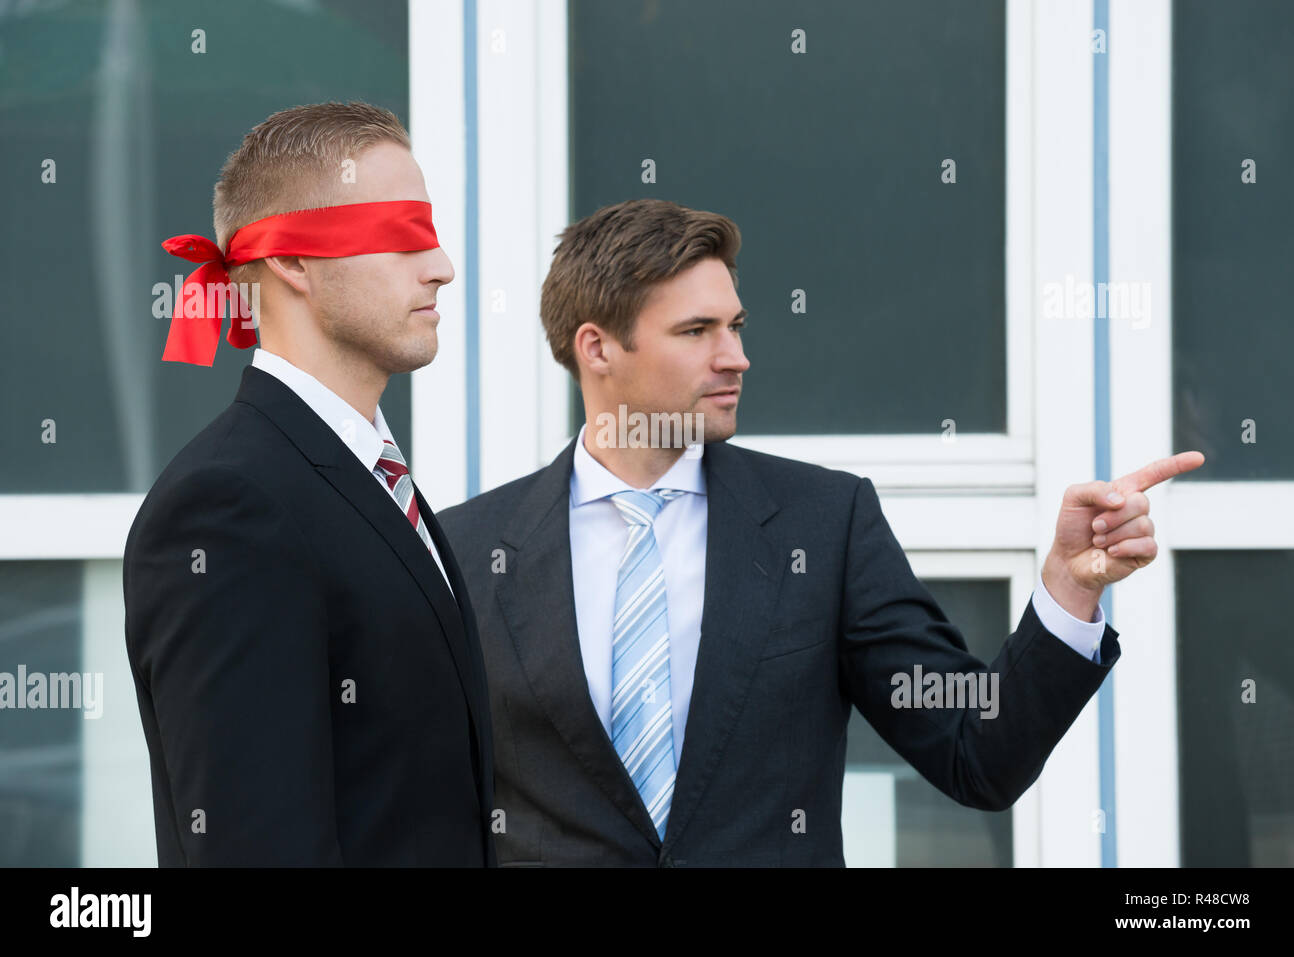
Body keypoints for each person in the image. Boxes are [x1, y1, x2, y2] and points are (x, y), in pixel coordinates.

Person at [438, 198, 1204, 866]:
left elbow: (977, 749)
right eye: (697, 330)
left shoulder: (823, 525)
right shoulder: (466, 553)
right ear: (597, 347)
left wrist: (1069, 587)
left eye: (735, 325)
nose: (736, 356)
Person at [123, 102, 493, 866]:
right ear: (293, 260)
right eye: (403, 234)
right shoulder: (228, 508)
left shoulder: (374, 478)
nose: (442, 266)